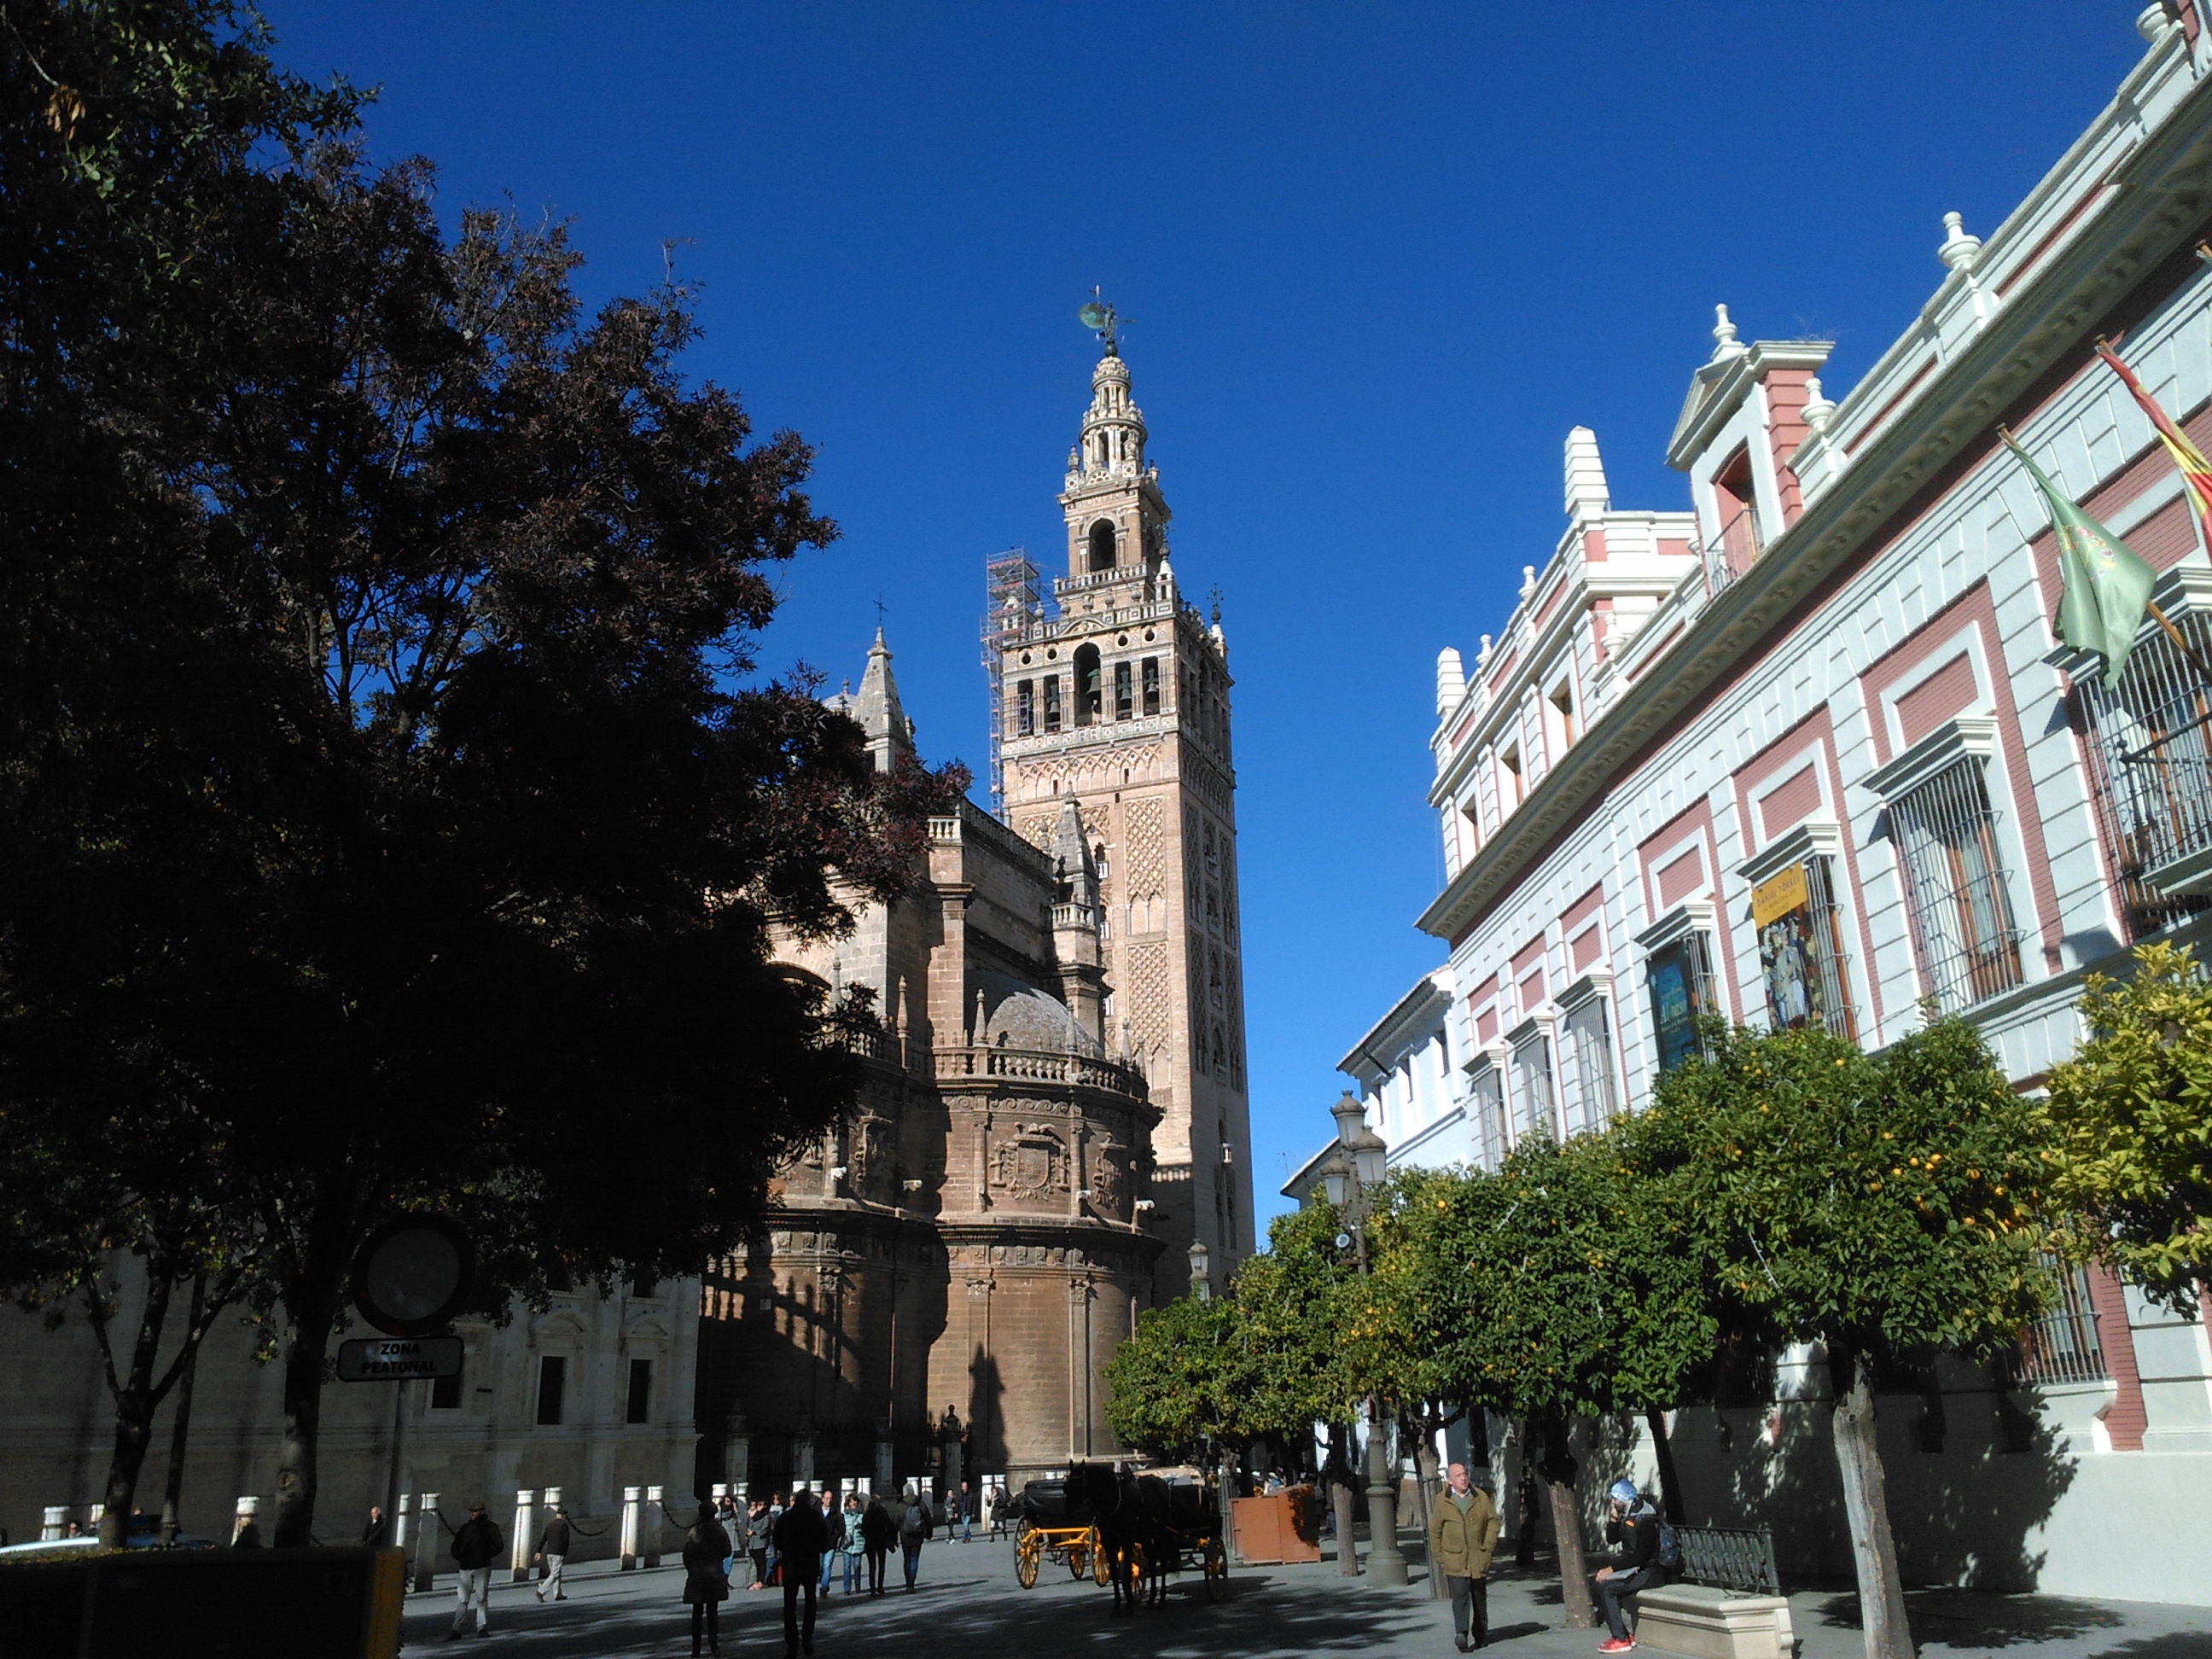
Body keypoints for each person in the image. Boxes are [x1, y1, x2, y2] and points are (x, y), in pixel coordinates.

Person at [1428, 1463, 1502, 1653]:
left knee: (1478, 1597)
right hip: (1455, 1558)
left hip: (1478, 1556)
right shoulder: (1442, 1501)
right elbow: (1435, 1530)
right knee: (1460, 1596)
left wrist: (1488, 1546)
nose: (1463, 1478)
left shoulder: (1480, 1497)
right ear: (1450, 1481)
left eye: (1464, 1474)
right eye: (1458, 1475)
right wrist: (1439, 1556)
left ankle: (1480, 1633)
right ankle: (1461, 1633)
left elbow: (1493, 1521)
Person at [1592, 1478, 1667, 1654]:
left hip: (1649, 1572)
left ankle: (1620, 1639)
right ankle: (1624, 1635)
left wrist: (1611, 1570)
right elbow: (1612, 1539)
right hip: (1633, 1569)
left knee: (1608, 1589)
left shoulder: (1646, 1520)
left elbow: (1640, 1556)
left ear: (1623, 1500)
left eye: (1615, 1499)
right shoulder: (1628, 1515)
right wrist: (1613, 1520)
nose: (1612, 1502)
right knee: (1596, 1586)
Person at [774, 1482, 833, 1656]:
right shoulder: (815, 1517)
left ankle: (792, 1642)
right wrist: (815, 1549)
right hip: (809, 1564)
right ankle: (807, 1639)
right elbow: (824, 1540)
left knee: (789, 1605)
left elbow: (777, 1539)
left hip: (791, 1564)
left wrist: (786, 1549)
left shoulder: (786, 1517)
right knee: (810, 1603)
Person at [682, 1499, 732, 1657]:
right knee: (712, 1611)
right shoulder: (720, 1531)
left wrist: (692, 1568)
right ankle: (713, 1644)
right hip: (714, 1573)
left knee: (697, 1612)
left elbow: (687, 1554)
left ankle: (695, 1647)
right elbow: (727, 1551)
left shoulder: (695, 1531)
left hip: (698, 1574)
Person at [448, 1499, 504, 1640]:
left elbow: (498, 1545)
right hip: (466, 1567)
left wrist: (485, 1555)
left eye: (475, 1511)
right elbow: (455, 1546)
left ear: (482, 1512)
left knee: (481, 1598)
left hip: (482, 1567)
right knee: (462, 1599)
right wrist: (460, 1557)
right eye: (472, 1511)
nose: (473, 1514)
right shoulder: (465, 1528)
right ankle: (456, 1629)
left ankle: (481, 1627)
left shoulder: (490, 1528)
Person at [861, 1490, 896, 1595]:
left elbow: (864, 1528)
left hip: (870, 1541)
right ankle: (880, 1587)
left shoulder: (867, 1514)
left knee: (872, 1566)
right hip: (881, 1540)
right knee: (881, 1564)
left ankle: (872, 1588)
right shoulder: (883, 1512)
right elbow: (889, 1525)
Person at [535, 1503, 572, 1603]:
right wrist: (565, 1552)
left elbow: (543, 1538)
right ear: (564, 1516)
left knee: (556, 1573)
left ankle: (558, 1594)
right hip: (558, 1553)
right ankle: (541, 1591)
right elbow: (566, 1540)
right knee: (554, 1574)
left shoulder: (550, 1525)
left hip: (549, 1552)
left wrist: (538, 1551)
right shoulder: (564, 1525)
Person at [897, 1481, 929, 1590]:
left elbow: (895, 1522)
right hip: (918, 1535)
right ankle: (912, 1582)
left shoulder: (900, 1506)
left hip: (905, 1536)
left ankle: (908, 1583)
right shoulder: (920, 1503)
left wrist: (893, 1537)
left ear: (904, 1493)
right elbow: (928, 1518)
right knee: (914, 1559)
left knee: (907, 1559)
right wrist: (928, 1533)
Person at [840, 1492, 865, 1592]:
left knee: (857, 1566)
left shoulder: (861, 1514)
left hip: (858, 1544)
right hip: (847, 1544)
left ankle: (858, 1585)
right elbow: (841, 1528)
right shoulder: (844, 1515)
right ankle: (847, 1588)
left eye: (855, 1501)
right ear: (848, 1503)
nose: (853, 1503)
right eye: (851, 1501)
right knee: (847, 1567)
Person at [746, 1498, 772, 1590]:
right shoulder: (754, 1516)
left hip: (760, 1542)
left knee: (761, 1563)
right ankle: (753, 1581)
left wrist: (754, 1532)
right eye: (758, 1505)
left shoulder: (766, 1516)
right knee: (754, 1563)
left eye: (761, 1505)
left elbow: (764, 1529)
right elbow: (749, 1525)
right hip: (752, 1542)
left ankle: (760, 1581)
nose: (759, 1507)